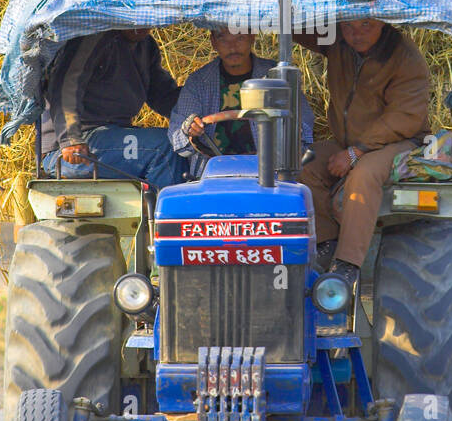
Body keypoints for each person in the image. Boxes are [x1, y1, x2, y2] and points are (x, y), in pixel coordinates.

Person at [297, 18, 431, 286]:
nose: (356, 34)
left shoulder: (405, 57)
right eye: (348, 26)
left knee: (364, 175)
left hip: (399, 141)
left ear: (383, 22)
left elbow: (405, 118)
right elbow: (299, 29)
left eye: (366, 25)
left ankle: (347, 264)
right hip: (350, 140)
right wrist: (266, 14)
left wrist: (355, 152)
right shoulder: (337, 41)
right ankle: (325, 243)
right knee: (303, 165)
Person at [40, 27, 184, 189]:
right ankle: (160, 212)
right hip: (73, 147)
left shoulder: (146, 46)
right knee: (165, 147)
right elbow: (66, 86)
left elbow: (163, 94)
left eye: (149, 21)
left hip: (111, 137)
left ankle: (150, 205)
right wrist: (70, 138)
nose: (143, 27)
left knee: (182, 142)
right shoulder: (91, 38)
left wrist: (199, 110)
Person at [169, 25, 314, 177]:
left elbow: (304, 129)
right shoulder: (198, 82)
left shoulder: (277, 78)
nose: (232, 47)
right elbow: (178, 139)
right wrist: (190, 129)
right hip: (212, 175)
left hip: (270, 173)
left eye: (240, 37)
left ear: (252, 36)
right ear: (213, 42)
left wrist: (285, 129)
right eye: (222, 39)